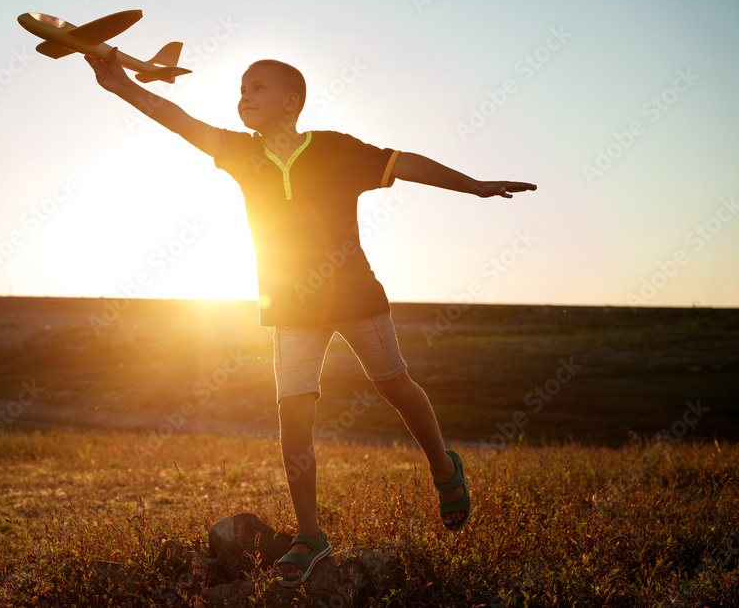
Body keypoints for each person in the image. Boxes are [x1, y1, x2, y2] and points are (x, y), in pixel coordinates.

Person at [85, 48, 536, 586]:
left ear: (291, 101)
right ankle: (310, 535)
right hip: (290, 307)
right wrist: (118, 86)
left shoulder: (337, 150)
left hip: (355, 296)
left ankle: (444, 467)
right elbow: (177, 119)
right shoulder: (239, 152)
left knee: (395, 386)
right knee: (293, 417)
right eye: (241, 88)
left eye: (257, 88)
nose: (243, 97)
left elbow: (406, 162)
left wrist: (476, 185)